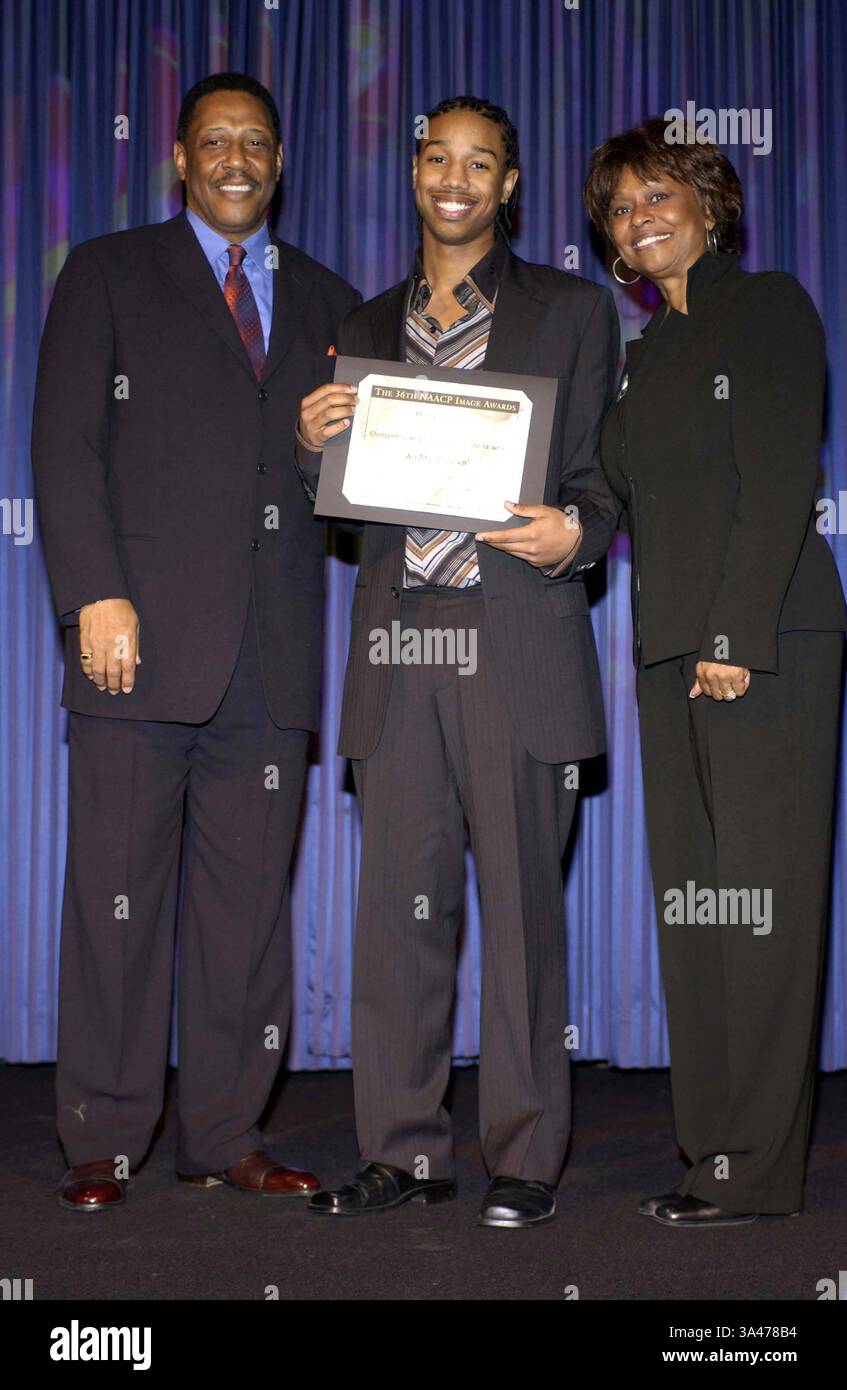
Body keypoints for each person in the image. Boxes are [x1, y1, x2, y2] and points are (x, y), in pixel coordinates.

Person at [31, 72, 360, 1211]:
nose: (235, 157)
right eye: (214, 139)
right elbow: (65, 447)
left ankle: (228, 1132)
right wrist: (96, 598)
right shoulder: (110, 273)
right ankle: (103, 1138)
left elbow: (352, 495)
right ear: (179, 158)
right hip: (138, 644)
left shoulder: (331, 301)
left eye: (255, 141)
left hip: (272, 662)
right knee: (115, 902)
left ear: (279, 161)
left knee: (245, 917)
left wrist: (336, 451)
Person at [295, 96, 619, 1228]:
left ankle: (525, 1155)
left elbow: (595, 474)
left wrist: (577, 532)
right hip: (397, 646)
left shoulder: (573, 312)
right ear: (416, 170)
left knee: (525, 917)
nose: (456, 178)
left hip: (513, 638)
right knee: (397, 919)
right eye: (438, 156)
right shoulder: (363, 324)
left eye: (481, 163)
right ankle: (402, 1150)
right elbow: (342, 507)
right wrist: (312, 448)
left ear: (509, 185)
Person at [584, 116, 847, 1226]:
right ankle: (710, 1152)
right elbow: (594, 487)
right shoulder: (643, 360)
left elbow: (780, 476)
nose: (639, 219)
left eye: (658, 197)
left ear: (708, 204)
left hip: (765, 647)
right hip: (667, 655)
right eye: (620, 207)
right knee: (698, 909)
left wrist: (733, 639)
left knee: (764, 915)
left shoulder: (767, 305)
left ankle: (756, 1168)